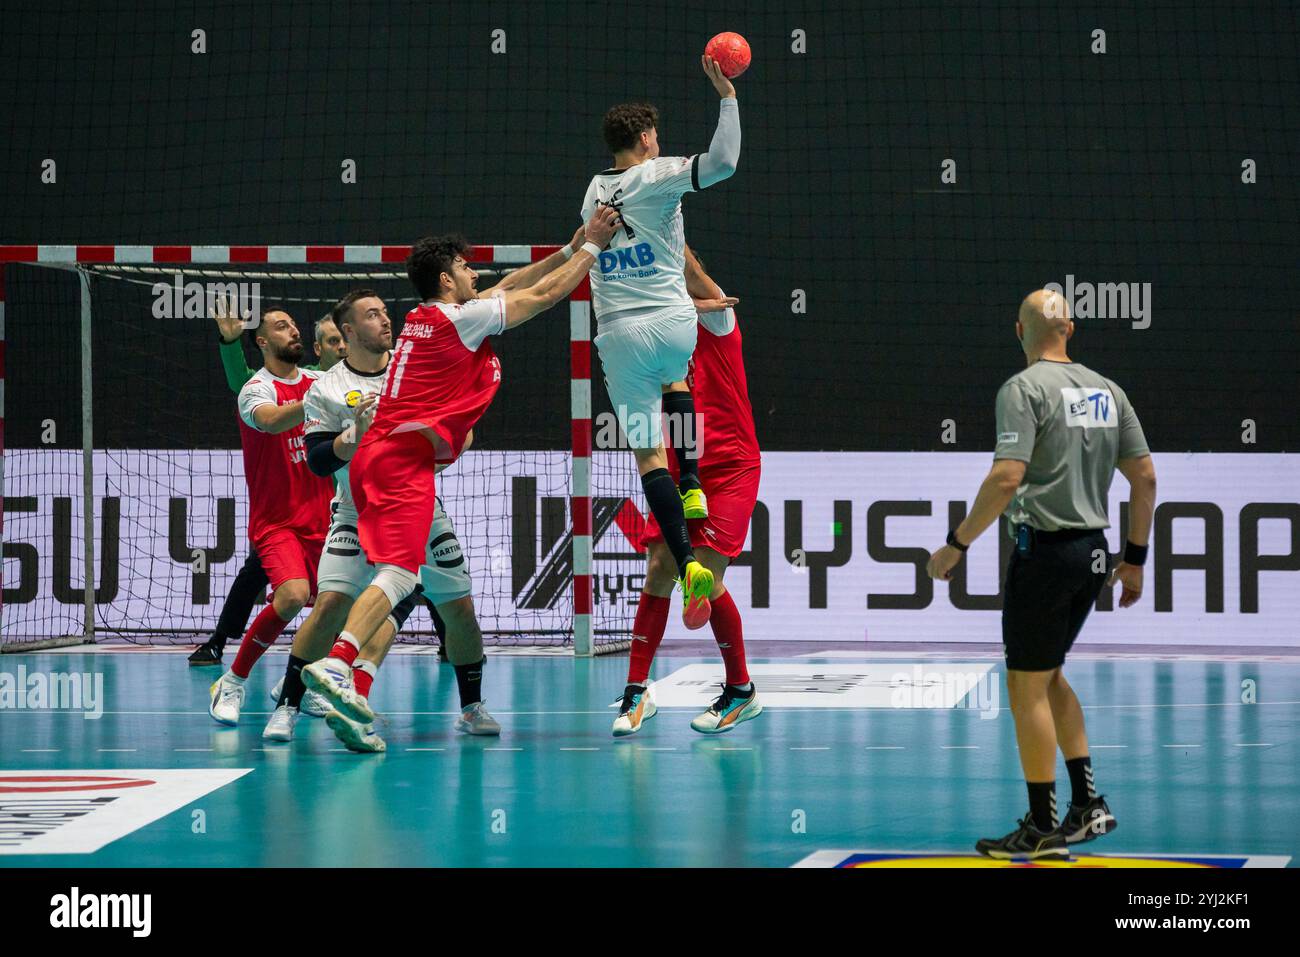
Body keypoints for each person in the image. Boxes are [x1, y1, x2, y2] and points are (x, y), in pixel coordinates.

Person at [301, 209, 622, 737]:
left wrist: (566, 251)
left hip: (388, 459)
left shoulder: (434, 316)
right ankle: (338, 664)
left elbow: (510, 286)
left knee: (443, 595)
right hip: (399, 461)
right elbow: (541, 296)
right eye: (465, 268)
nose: (476, 274)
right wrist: (593, 248)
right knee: (400, 575)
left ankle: (448, 702)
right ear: (446, 279)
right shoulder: (458, 320)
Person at [926, 289, 1156, 860]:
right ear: (1070, 329)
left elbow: (1007, 477)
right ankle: (1087, 806)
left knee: (1024, 685)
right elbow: (1145, 478)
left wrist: (957, 544)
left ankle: (1043, 828)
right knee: (1049, 676)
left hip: (1046, 555)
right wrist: (1134, 559)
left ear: (1019, 331)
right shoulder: (1109, 391)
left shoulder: (1023, 389)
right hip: (1094, 554)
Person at [263, 290, 499, 751]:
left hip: (417, 504)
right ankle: (288, 706)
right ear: (348, 332)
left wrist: (442, 446)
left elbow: (462, 431)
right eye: (372, 315)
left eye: (385, 312)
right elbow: (317, 461)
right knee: (330, 604)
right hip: (355, 509)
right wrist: (353, 436)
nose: (385, 321)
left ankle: (472, 707)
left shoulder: (413, 367)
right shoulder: (327, 388)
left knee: (460, 609)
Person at [581, 54, 741, 630]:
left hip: (619, 333)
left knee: (649, 456)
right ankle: (693, 480)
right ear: (646, 138)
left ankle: (686, 562)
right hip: (676, 324)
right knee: (674, 375)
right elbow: (722, 163)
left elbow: (584, 248)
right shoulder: (659, 173)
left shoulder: (593, 192)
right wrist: (727, 97)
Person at [614, 245, 762, 736]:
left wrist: (663, 239)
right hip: (680, 470)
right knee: (659, 567)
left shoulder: (717, 318)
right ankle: (637, 690)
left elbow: (695, 275)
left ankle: (740, 691)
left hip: (732, 466)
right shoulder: (657, 331)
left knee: (705, 575)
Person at [188, 307, 346, 666]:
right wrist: (230, 342)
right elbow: (267, 414)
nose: (294, 330)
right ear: (261, 341)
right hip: (279, 521)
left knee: (345, 600)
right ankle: (229, 657)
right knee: (286, 591)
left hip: (325, 517)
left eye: (294, 324)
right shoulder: (257, 388)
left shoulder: (319, 380)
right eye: (282, 326)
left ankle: (318, 674)